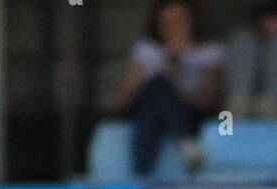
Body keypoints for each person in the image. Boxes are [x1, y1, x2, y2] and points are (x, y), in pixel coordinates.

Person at [116, 0, 223, 174]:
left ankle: (141, 174)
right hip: (149, 110)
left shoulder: (209, 51)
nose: (172, 29)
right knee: (154, 93)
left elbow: (211, 101)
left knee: (156, 96)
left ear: (192, 21)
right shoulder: (147, 50)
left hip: (191, 112)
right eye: (166, 24)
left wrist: (177, 87)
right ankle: (185, 142)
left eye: (178, 22)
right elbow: (123, 101)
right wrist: (150, 77)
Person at [225, 2, 277, 119]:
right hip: (241, 97)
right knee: (237, 105)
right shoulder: (241, 41)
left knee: (267, 106)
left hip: (272, 99)